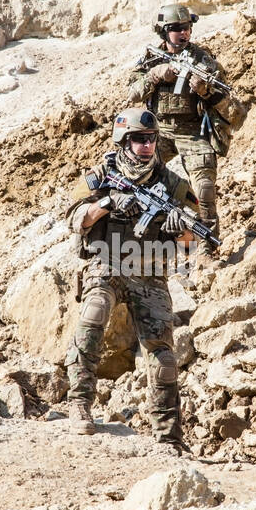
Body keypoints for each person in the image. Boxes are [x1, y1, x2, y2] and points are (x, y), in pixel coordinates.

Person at [64, 107, 197, 450]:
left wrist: (179, 228)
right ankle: (80, 404)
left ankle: (169, 437)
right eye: (138, 139)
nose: (146, 145)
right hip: (107, 262)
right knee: (92, 317)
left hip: (149, 272)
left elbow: (194, 239)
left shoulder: (174, 184)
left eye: (151, 139)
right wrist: (108, 202)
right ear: (123, 141)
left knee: (164, 358)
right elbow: (75, 219)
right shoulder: (100, 175)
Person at [128, 3, 246, 245]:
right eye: (176, 29)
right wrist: (155, 75)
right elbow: (132, 94)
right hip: (158, 132)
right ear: (163, 32)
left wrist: (206, 92)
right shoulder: (151, 60)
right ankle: (132, 239)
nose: (183, 33)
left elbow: (235, 112)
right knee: (131, 178)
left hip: (192, 132)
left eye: (187, 28)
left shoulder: (202, 60)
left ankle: (207, 246)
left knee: (204, 189)